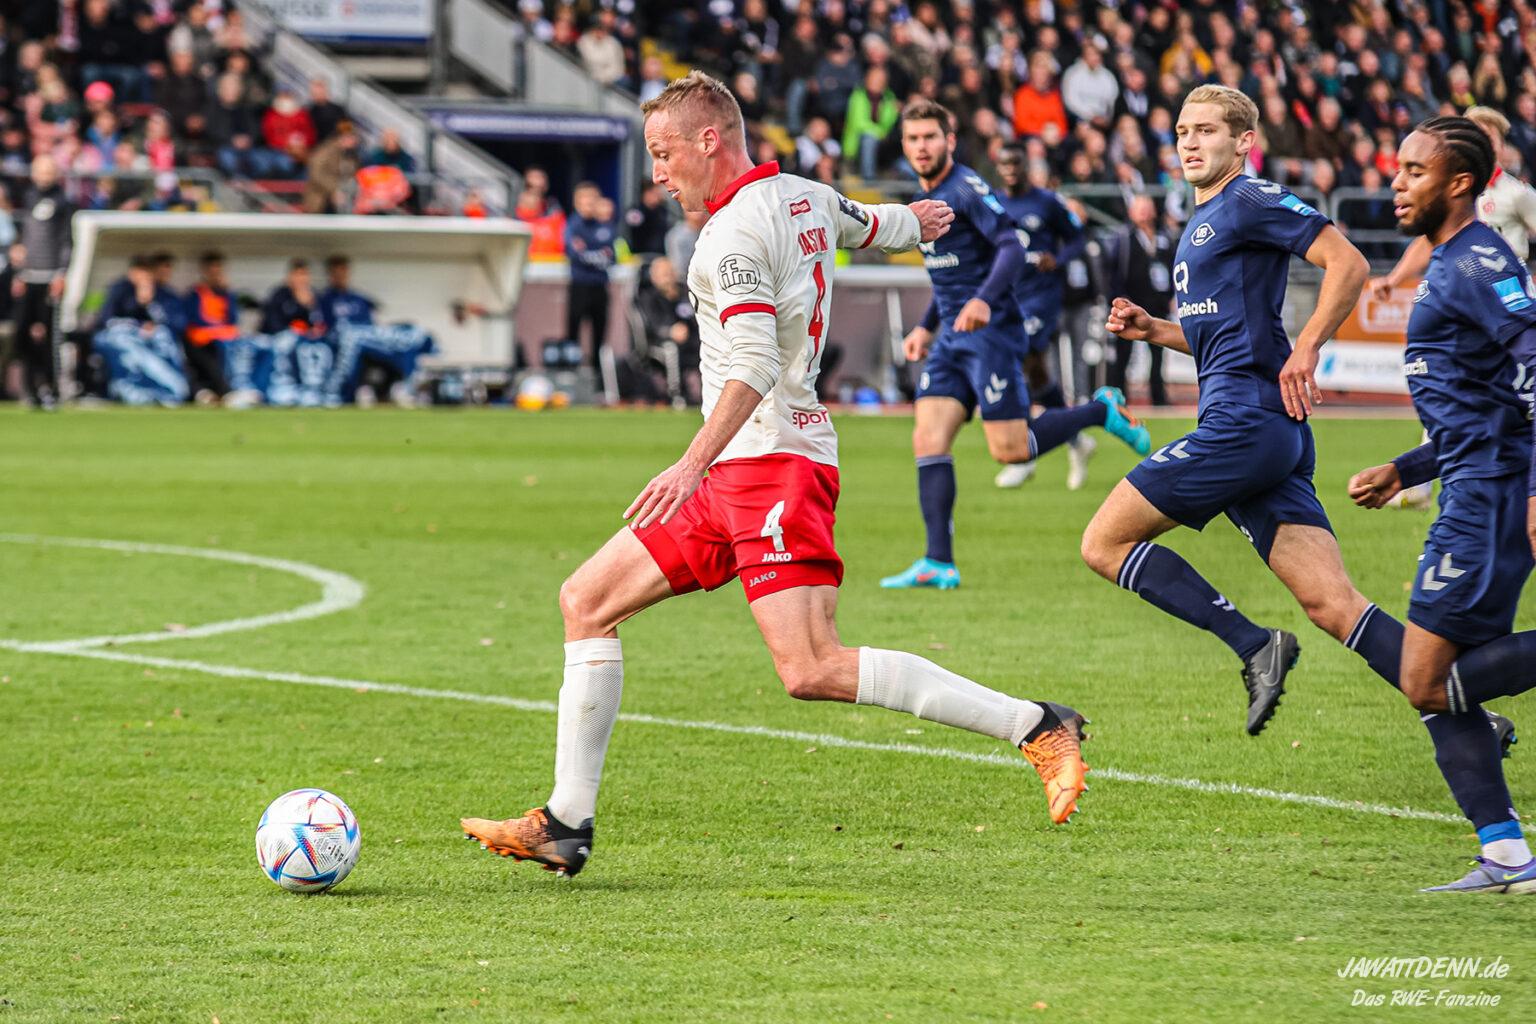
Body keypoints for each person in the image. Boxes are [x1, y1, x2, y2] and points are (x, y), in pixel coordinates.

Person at [459, 71, 1091, 876]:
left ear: (709, 142)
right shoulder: (803, 194)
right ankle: (565, 822)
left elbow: (754, 359)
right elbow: (874, 222)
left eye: (662, 153)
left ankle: (1036, 724)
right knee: (586, 601)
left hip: (771, 465)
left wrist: (690, 463)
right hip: (738, 466)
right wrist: (921, 219)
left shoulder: (729, 239)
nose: (657, 172)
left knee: (811, 667)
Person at [1081, 84, 1415, 738]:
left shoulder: (1248, 198)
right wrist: (1157, 330)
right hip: (1267, 430)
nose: (1189, 141)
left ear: (1243, 142)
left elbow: (1344, 261)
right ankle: (1458, 708)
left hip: (1246, 422)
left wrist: (1310, 348)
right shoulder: (1206, 218)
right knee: (1333, 603)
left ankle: (1253, 643)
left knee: (1104, 541)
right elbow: (1222, 330)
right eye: (1182, 130)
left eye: (1206, 130)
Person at [1346, 118, 1536, 893]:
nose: (1398, 181)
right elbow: (1486, 402)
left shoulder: (1478, 263)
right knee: (1442, 680)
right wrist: (1408, 464)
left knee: (1426, 681)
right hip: (1470, 478)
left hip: (1487, 497)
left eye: (1415, 170)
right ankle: (1506, 855)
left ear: (1460, 183)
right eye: (1397, 168)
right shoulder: (1452, 262)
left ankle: (1506, 853)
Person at [880, 100, 1149, 592]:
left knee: (1011, 451)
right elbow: (950, 279)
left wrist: (984, 301)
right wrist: (924, 326)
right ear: (904, 146)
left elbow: (1009, 246)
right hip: (951, 340)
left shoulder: (966, 189)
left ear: (950, 140)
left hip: (994, 334)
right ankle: (938, 561)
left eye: (930, 137)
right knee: (928, 439)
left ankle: (1099, 411)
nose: (922, 147)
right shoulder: (924, 198)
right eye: (913, 139)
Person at [991, 144, 1093, 491]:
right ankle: (1076, 439)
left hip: (1042, 297)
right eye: (1004, 163)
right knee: (1037, 375)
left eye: (1015, 162)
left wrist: (1059, 259)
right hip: (1011, 297)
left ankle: (1024, 455)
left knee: (1016, 362)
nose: (1010, 169)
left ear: (1026, 166)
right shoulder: (994, 202)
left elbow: (1078, 238)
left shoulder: (1047, 202)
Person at [12, 155, 73, 409]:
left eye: (48, 171)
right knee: (23, 335)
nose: (43, 176)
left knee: (50, 337)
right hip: (29, 275)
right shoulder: (29, 197)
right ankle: (30, 388)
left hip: (50, 276)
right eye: (39, 171)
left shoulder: (62, 202)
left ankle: (52, 389)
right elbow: (24, 237)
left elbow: (66, 241)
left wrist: (61, 272)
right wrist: (20, 272)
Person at [1103, 195, 1174, 407]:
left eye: (1147, 208)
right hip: (1130, 305)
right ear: (1131, 212)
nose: (1144, 212)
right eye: (1139, 208)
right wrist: (1120, 300)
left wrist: (1171, 296)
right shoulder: (1124, 238)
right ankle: (1118, 399)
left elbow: (1171, 268)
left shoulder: (1163, 237)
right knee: (1123, 354)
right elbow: (1112, 272)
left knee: (1158, 354)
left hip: (1158, 304)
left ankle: (1158, 397)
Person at [563, 182, 617, 370]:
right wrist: (597, 257)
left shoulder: (606, 227)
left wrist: (590, 256)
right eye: (584, 201)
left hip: (600, 287)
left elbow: (611, 257)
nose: (589, 205)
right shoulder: (572, 226)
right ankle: (570, 373)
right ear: (576, 202)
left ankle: (597, 377)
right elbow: (576, 255)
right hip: (579, 286)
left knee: (600, 334)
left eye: (592, 200)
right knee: (573, 334)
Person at [182, 251, 239, 402]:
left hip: (222, 339)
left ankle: (234, 388)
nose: (215, 273)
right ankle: (224, 391)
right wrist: (215, 328)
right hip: (199, 340)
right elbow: (194, 319)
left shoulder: (226, 294)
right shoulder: (195, 294)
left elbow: (233, 319)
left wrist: (226, 293)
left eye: (218, 269)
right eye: (211, 269)